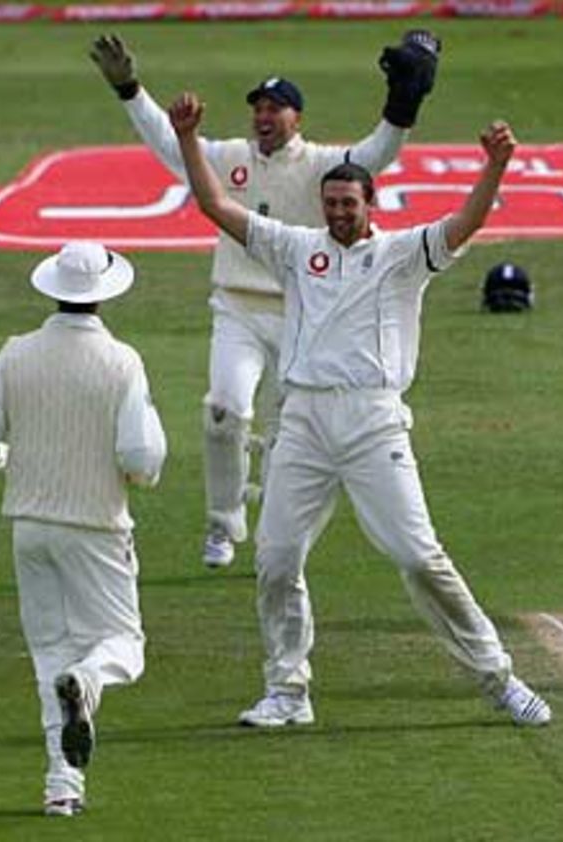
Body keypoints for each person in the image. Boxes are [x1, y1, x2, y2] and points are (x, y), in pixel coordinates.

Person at [169, 90, 552, 728]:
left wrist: (495, 165)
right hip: (303, 423)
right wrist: (187, 138)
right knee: (276, 560)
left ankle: (499, 677)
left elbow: (469, 222)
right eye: (332, 205)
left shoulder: (403, 254)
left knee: (417, 555)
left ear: (371, 205)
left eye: (350, 204)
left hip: (374, 423)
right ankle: (288, 691)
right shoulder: (296, 249)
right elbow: (215, 204)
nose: (340, 214)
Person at [90, 30, 439, 568]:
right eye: (258, 107)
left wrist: (403, 104)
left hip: (300, 313)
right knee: (225, 411)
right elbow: (169, 143)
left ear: (296, 117)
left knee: (287, 437)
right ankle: (223, 525)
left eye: (276, 107)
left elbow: (378, 153)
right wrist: (130, 89)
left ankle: (279, 543)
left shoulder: (324, 163)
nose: (263, 115)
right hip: (236, 307)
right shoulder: (229, 156)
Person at [0, 241, 166, 817]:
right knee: (124, 648)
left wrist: (9, 463)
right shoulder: (122, 361)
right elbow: (140, 457)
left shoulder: (15, 352)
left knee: (49, 654)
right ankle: (88, 681)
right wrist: (138, 477)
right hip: (96, 525)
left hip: (28, 524)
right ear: (104, 295)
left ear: (54, 288)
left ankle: (62, 788)